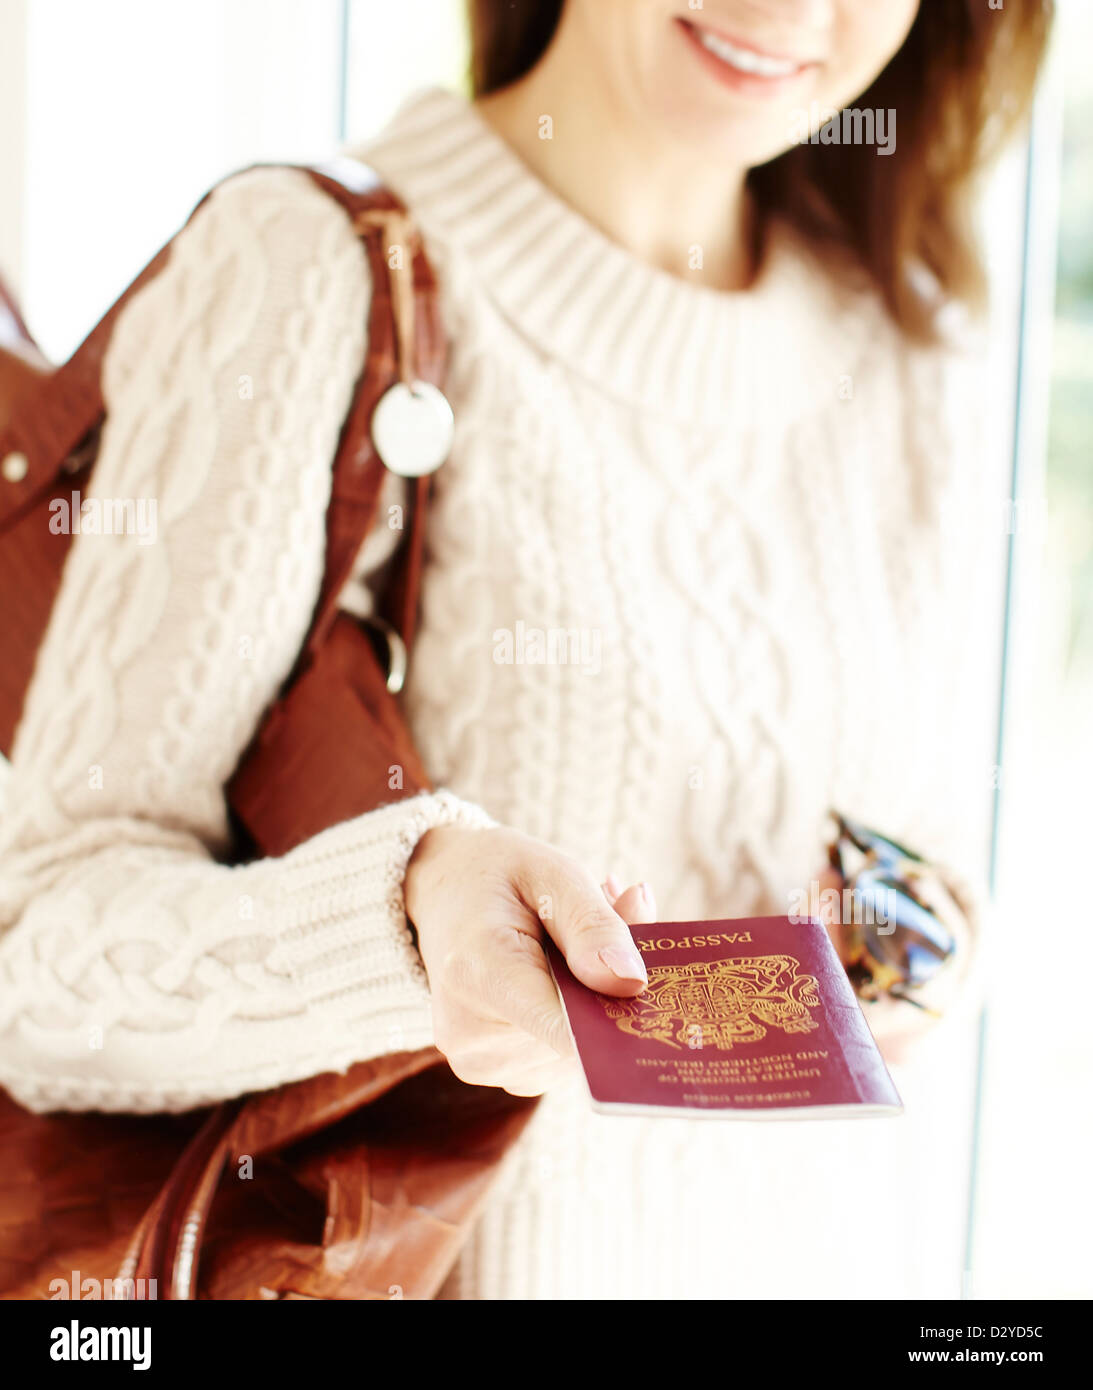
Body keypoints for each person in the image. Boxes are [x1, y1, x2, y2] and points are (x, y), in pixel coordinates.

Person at [0, 0, 1051, 1298]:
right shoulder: (304, 270)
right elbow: (39, 970)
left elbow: (935, 877)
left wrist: (915, 949)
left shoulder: (905, 342)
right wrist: (405, 924)